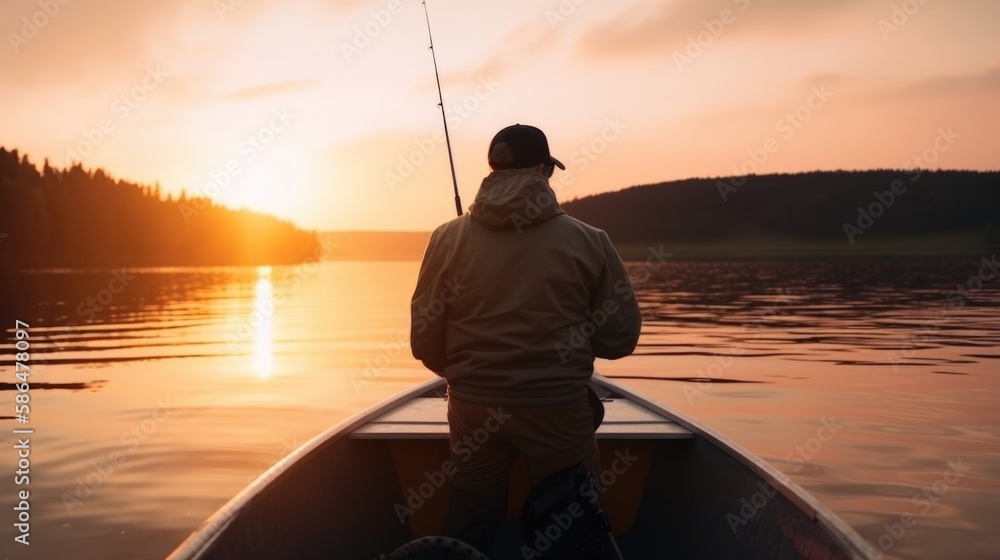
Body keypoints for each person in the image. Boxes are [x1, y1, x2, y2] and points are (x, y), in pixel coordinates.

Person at [410, 123, 642, 552]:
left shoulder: (446, 238)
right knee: (573, 523)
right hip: (557, 407)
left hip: (472, 408)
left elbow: (425, 342)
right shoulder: (590, 241)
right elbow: (620, 339)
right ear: (543, 171)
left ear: (492, 171)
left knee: (469, 523)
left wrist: (470, 372)